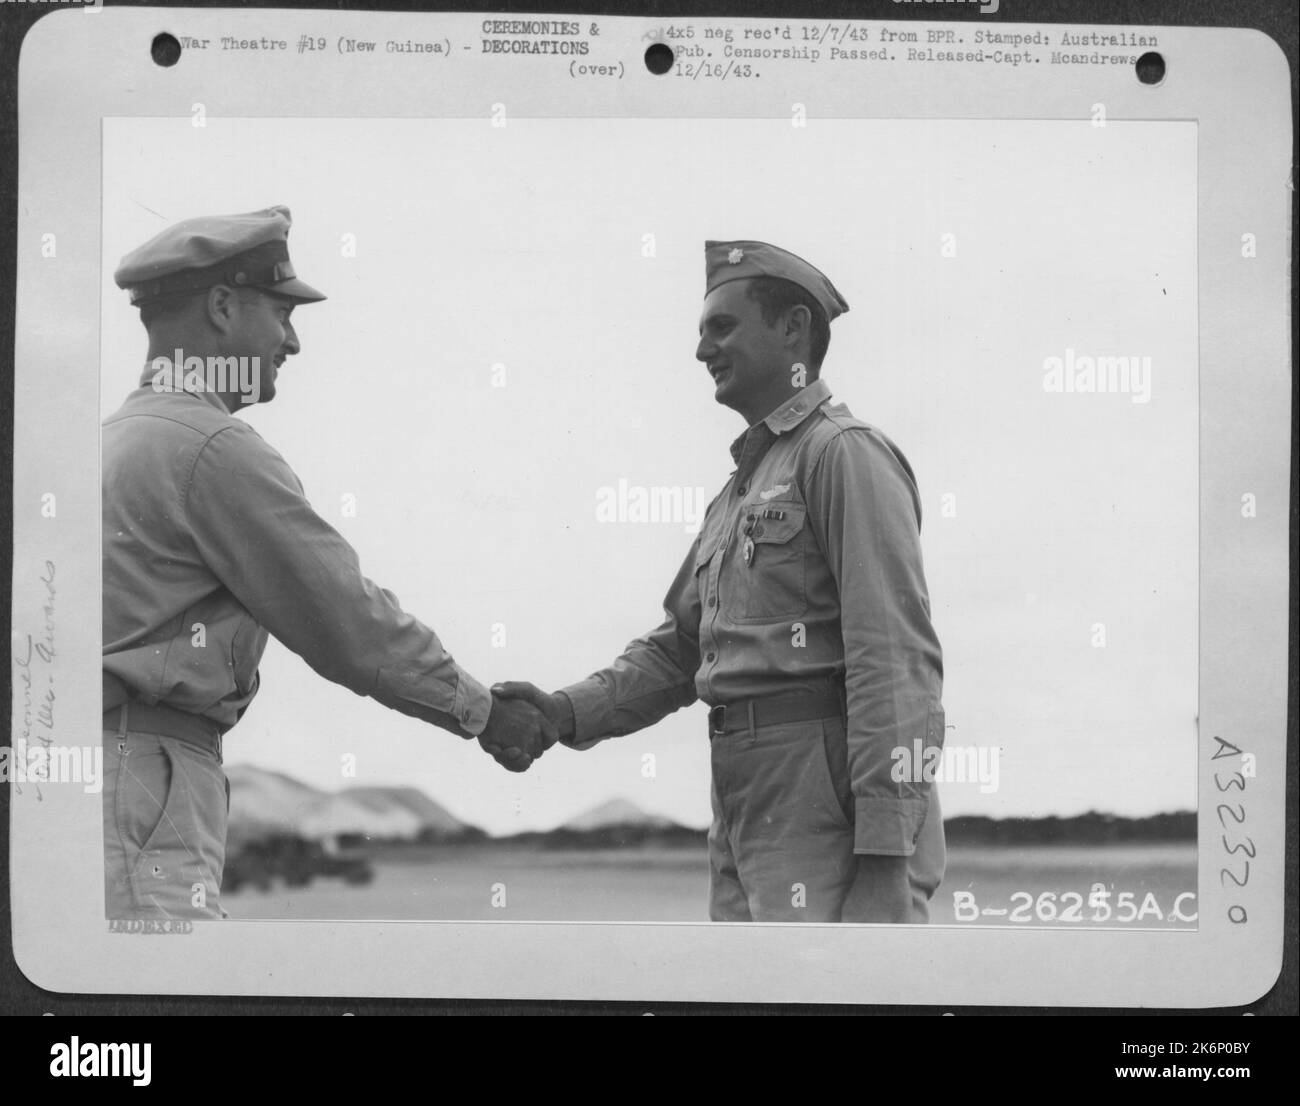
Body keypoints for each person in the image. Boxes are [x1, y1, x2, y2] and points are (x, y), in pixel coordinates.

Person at [103, 205, 553, 921]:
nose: (293, 341)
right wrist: (486, 713)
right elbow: (349, 624)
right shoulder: (210, 447)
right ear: (222, 307)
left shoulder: (116, 440)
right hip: (149, 784)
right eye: (282, 313)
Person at [498, 240, 945, 923]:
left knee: (828, 998)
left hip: (821, 789)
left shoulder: (844, 455)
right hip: (741, 791)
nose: (702, 350)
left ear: (794, 329)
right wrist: (563, 713)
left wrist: (886, 854)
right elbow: (682, 648)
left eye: (721, 328)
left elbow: (896, 661)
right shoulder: (736, 494)